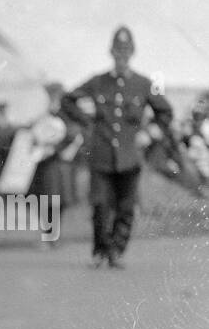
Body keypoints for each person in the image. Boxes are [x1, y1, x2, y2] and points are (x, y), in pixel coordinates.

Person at [61, 26, 175, 268]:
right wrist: (86, 120)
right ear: (110, 52)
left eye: (126, 50)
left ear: (132, 52)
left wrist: (150, 133)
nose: (121, 55)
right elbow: (67, 100)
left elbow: (165, 112)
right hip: (101, 154)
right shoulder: (97, 81)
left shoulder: (145, 84)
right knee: (100, 205)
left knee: (125, 207)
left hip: (129, 156)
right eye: (117, 50)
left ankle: (116, 251)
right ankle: (101, 250)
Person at [27, 82, 82, 244]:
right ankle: (48, 233)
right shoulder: (43, 114)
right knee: (43, 200)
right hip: (44, 164)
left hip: (59, 163)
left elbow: (72, 133)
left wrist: (55, 148)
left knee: (58, 200)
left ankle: (53, 234)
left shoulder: (65, 114)